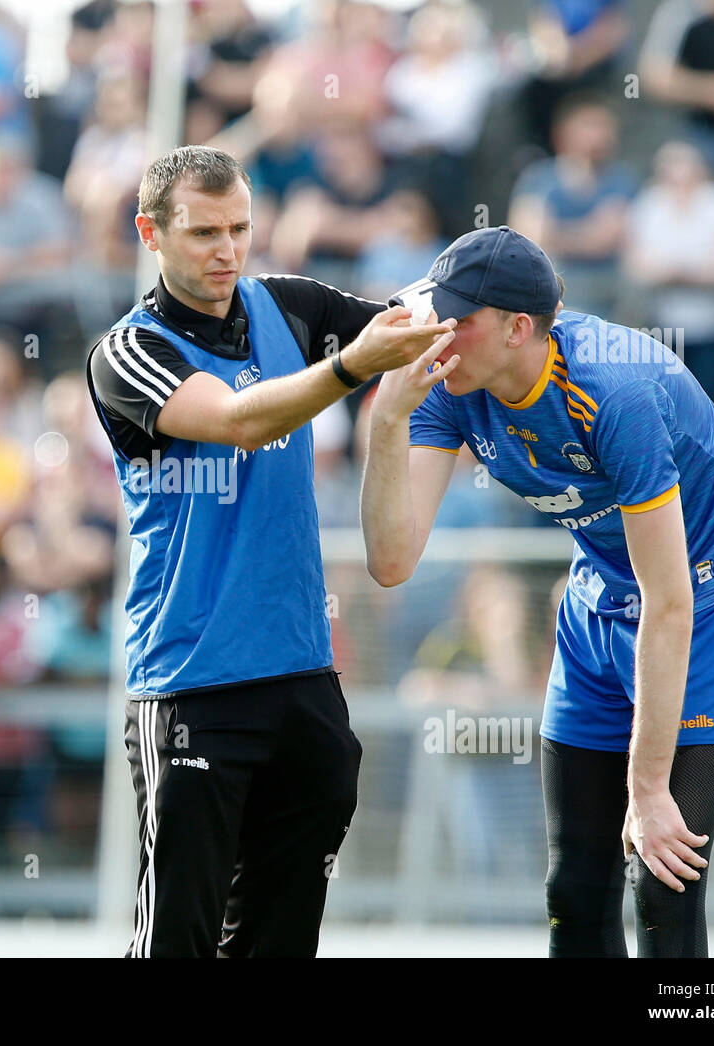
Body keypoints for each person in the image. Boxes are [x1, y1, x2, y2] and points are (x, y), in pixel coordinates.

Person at [362, 225, 714, 957]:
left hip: (708, 602)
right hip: (599, 595)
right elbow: (392, 560)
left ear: (519, 328)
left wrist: (647, 789)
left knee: (663, 882)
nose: (437, 337)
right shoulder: (451, 385)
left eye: (456, 321)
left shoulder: (616, 395)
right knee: (574, 887)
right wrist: (387, 421)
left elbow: (669, 600)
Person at [85, 145, 456, 957]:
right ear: (151, 233)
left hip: (300, 675)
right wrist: (352, 365)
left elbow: (413, 321)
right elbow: (241, 419)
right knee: (175, 941)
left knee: (279, 939)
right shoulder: (127, 352)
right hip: (190, 685)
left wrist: (488, 285)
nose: (227, 250)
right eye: (203, 232)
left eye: (241, 229)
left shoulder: (287, 304)